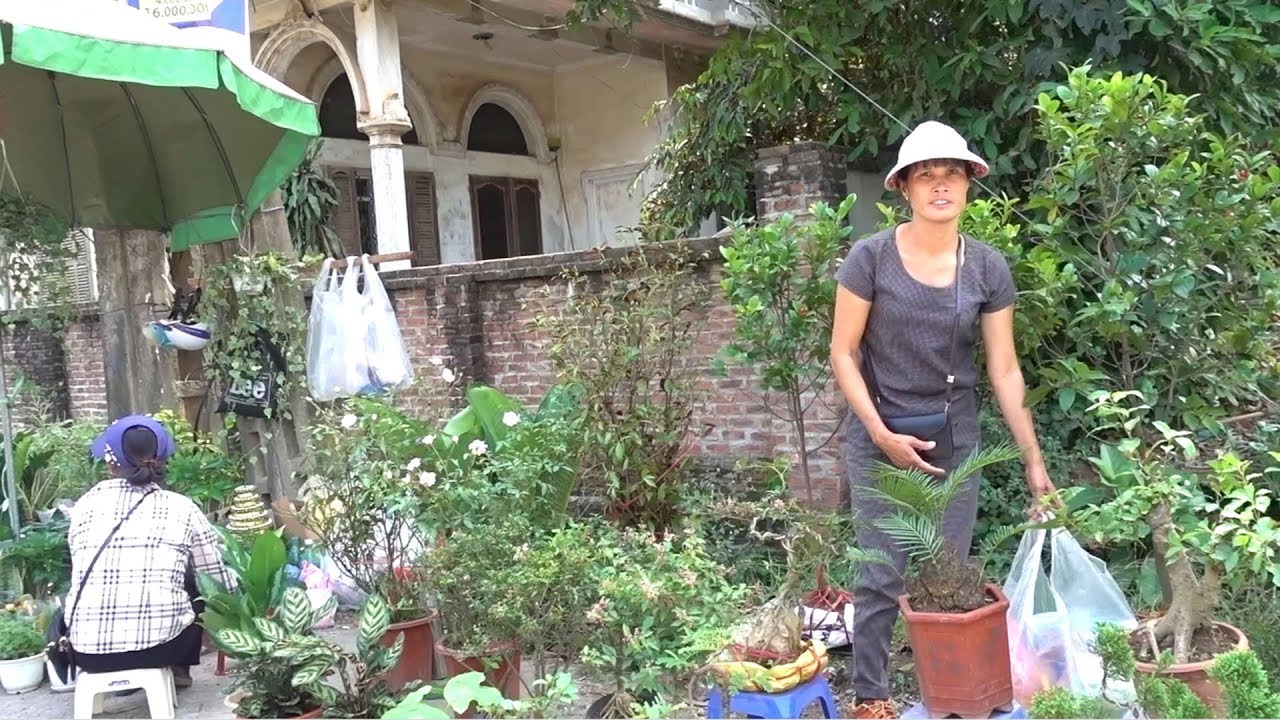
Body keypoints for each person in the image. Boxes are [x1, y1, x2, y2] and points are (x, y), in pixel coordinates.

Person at [829, 121, 1057, 718]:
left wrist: (1033, 460)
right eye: (925, 175)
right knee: (881, 570)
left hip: (954, 436)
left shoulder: (987, 267)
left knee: (948, 576)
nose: (939, 185)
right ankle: (872, 694)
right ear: (903, 187)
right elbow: (842, 352)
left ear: (967, 184)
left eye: (951, 174)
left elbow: (1004, 368)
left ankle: (952, 696)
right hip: (881, 434)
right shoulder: (869, 259)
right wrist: (879, 432)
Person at [64, 415, 235, 688]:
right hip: (163, 648)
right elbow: (216, 578)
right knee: (194, 582)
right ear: (163, 461)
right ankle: (179, 668)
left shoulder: (84, 506)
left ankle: (117, 680)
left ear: (110, 464)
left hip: (88, 654)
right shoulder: (182, 507)